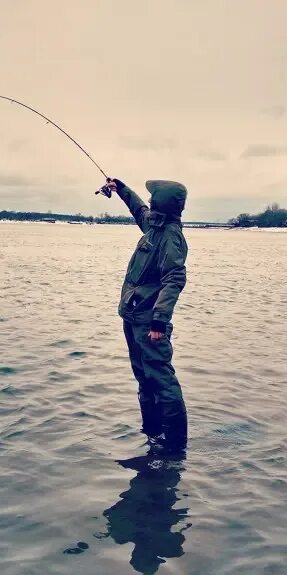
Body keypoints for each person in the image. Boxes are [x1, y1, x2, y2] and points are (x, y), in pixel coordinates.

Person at [105, 178, 189, 452]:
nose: (149, 202)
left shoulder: (170, 237)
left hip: (150, 323)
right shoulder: (154, 227)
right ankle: (152, 434)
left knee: (161, 380)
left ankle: (175, 446)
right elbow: (139, 210)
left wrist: (159, 321)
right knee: (143, 377)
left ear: (162, 204)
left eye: (153, 199)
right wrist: (121, 188)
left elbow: (174, 279)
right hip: (133, 317)